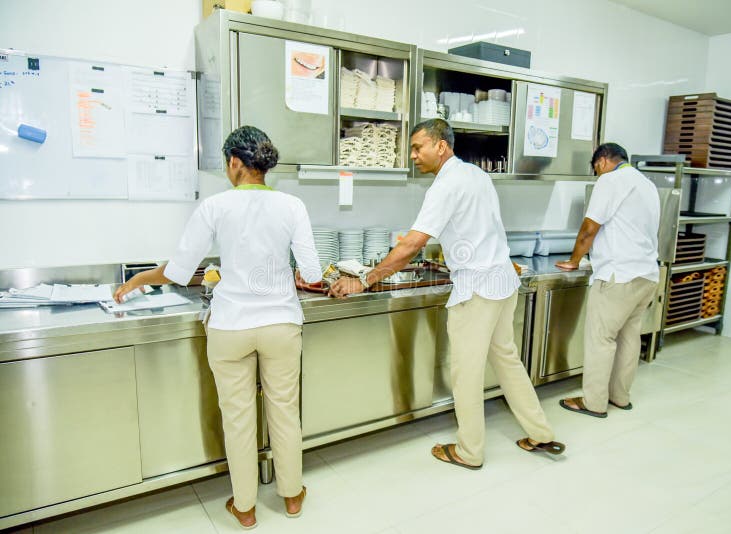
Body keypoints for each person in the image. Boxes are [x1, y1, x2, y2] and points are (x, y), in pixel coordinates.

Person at [114, 126, 321, 529]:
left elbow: (177, 272)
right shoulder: (292, 205)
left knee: (238, 417)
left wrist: (137, 280)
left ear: (234, 163)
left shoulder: (215, 206)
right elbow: (312, 272)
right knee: (284, 411)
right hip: (281, 324)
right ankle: (292, 496)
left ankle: (244, 507)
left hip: (230, 328)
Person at [330, 119, 564, 469]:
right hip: (502, 281)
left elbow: (412, 244)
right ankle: (541, 433)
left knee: (465, 373)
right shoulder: (476, 176)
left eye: (417, 147)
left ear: (441, 146)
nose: (412, 156)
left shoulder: (445, 184)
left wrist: (365, 279)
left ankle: (469, 451)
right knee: (507, 361)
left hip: (477, 290)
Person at [555, 142, 659, 418]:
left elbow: (590, 227)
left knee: (601, 338)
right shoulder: (646, 184)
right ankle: (620, 397)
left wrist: (575, 260)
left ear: (601, 161)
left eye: (596, 170)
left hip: (618, 275)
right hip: (647, 274)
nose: (597, 175)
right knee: (629, 337)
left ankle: (594, 402)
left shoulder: (611, 180)